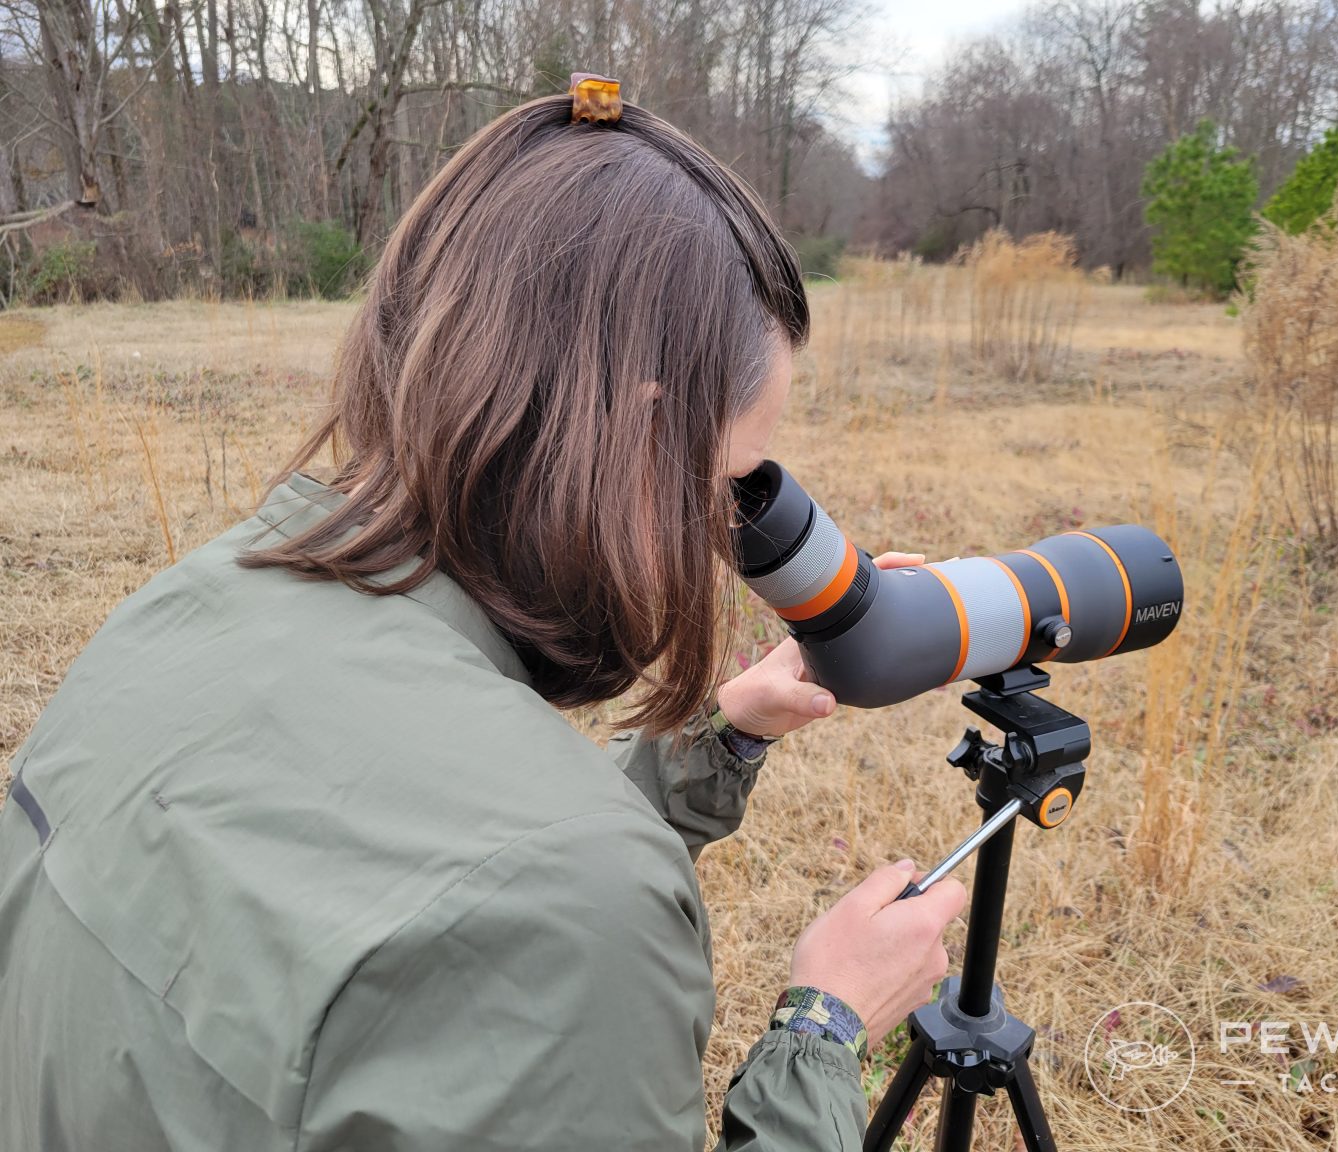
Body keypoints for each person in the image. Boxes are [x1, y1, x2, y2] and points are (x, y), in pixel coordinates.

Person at [0, 87, 967, 1151]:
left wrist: (712, 743)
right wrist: (825, 1029)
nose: (718, 530)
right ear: (636, 436)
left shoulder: (186, 604)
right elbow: (515, 894)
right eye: (723, 480)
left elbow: (390, 875)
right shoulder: (579, 908)